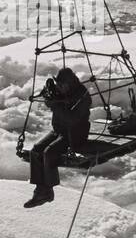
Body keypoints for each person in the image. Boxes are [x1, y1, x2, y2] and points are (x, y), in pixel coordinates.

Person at [25, 67, 92, 208]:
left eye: (62, 85)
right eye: (58, 85)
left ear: (70, 83)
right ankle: (40, 191)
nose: (59, 88)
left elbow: (72, 119)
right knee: (36, 151)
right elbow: (50, 98)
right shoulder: (61, 91)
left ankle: (48, 191)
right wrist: (48, 94)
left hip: (75, 134)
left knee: (49, 153)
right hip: (59, 131)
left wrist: (55, 106)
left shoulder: (82, 96)